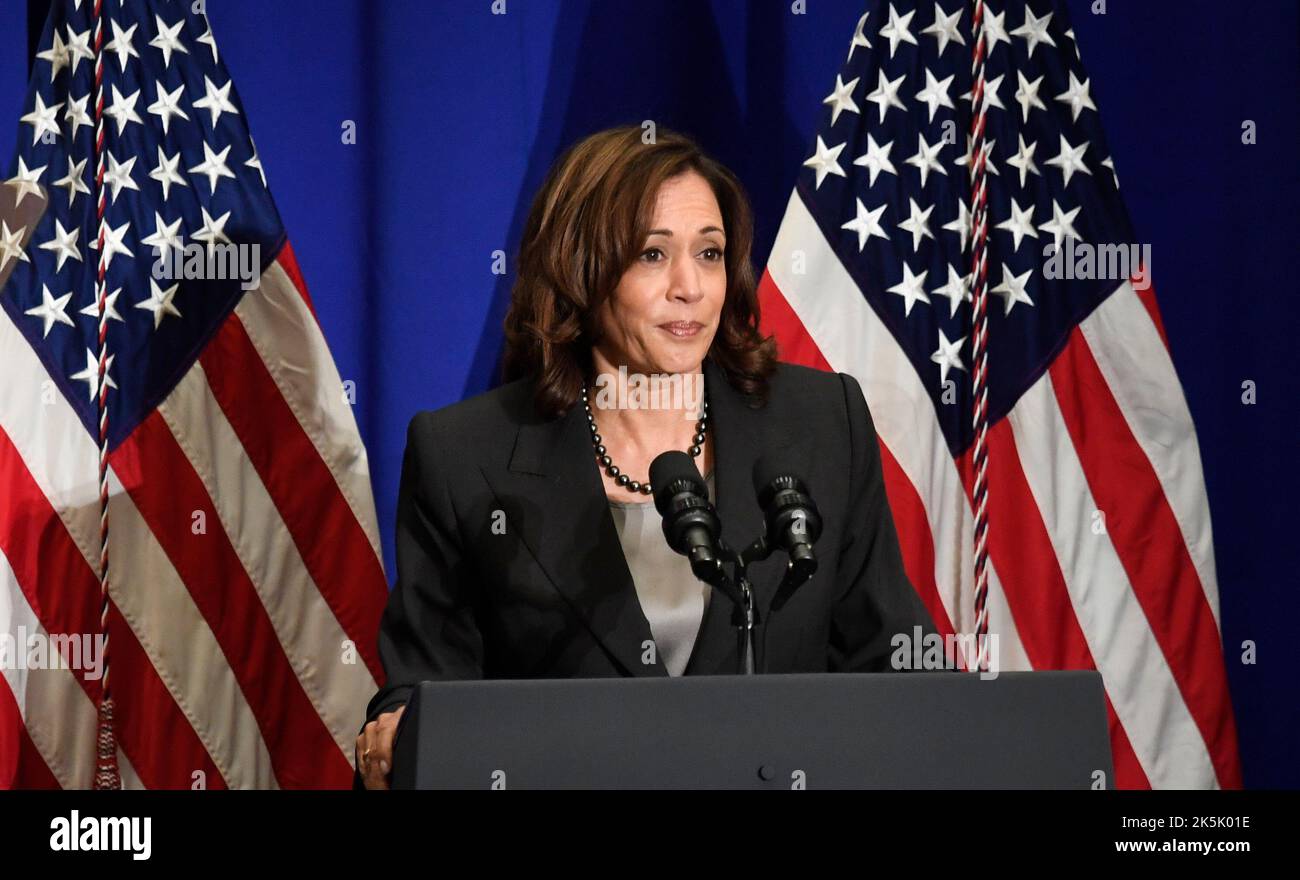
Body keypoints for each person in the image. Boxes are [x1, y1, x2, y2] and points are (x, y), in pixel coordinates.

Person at [355, 124, 937, 789]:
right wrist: (398, 730)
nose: (690, 286)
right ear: (581, 267)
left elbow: (892, 657)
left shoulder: (821, 424)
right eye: (653, 255)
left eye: (710, 253)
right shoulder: (466, 456)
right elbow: (426, 685)